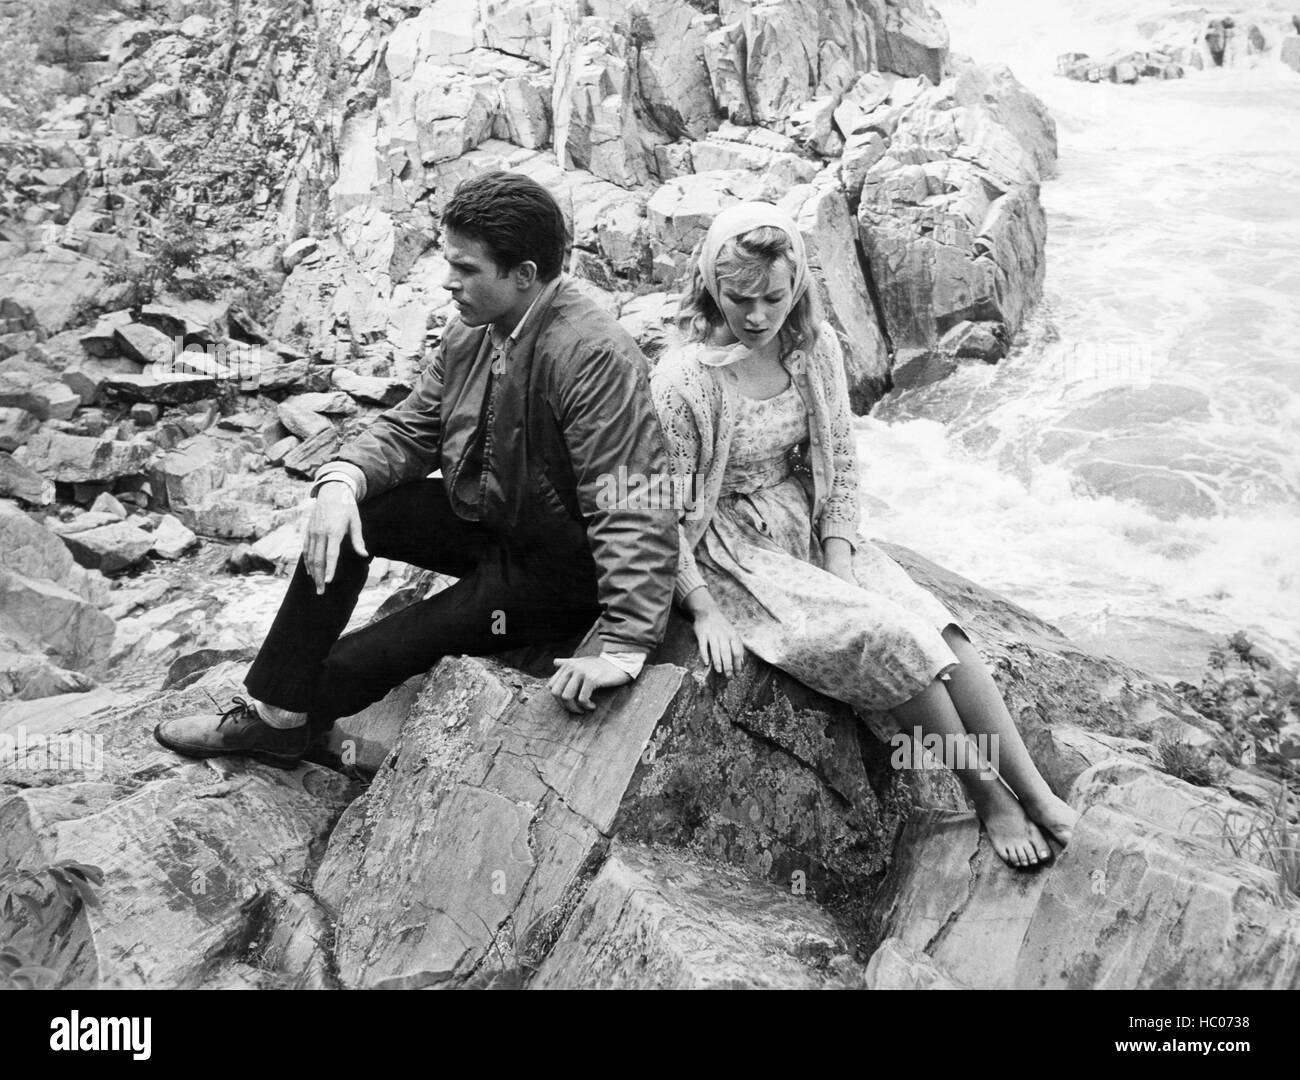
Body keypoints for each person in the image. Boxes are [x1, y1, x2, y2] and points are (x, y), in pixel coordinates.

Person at [155, 171, 679, 768]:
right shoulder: (472, 330)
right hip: (493, 522)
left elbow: (631, 495)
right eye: (447, 261)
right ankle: (275, 712)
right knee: (359, 515)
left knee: (368, 654)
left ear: (524, 275)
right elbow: (415, 426)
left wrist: (625, 642)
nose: (447, 282)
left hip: (557, 576)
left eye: (466, 269)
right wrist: (341, 479)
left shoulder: (595, 355)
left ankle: (287, 726)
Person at [650, 202, 1078, 868]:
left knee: (943, 632)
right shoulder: (682, 381)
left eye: (773, 296)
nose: (757, 315)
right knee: (887, 640)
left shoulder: (812, 347)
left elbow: (840, 461)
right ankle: (988, 797)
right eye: (739, 298)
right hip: (734, 551)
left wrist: (840, 558)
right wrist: (698, 604)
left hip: (804, 522)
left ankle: (1037, 791)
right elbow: (664, 509)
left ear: (795, 288)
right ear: (710, 284)